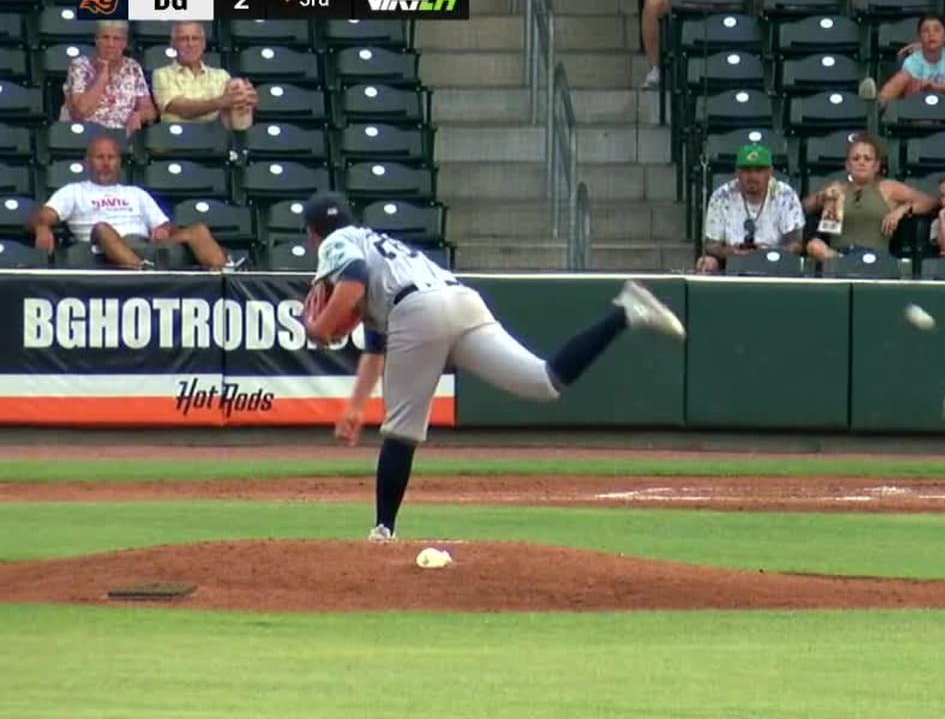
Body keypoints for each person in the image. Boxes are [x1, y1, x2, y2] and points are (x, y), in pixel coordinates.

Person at [299, 193, 687, 542]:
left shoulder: (336, 241)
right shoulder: (380, 244)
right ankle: (624, 313)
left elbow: (351, 284)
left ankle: (383, 530)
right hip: (461, 300)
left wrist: (317, 328)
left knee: (401, 430)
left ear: (313, 234)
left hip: (415, 311)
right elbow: (376, 346)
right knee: (544, 382)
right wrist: (355, 405)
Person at [28, 135, 241, 270]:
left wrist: (164, 229)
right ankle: (141, 273)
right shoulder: (74, 191)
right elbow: (43, 217)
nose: (105, 163)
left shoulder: (135, 193)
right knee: (102, 227)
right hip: (102, 248)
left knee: (198, 230)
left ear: (119, 162)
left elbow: (163, 225)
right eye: (99, 157)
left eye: (111, 157)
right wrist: (42, 227)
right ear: (87, 162)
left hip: (145, 245)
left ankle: (224, 275)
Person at [802, 133, 936, 262]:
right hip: (837, 257)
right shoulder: (837, 188)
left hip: (875, 258)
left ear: (877, 165)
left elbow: (930, 202)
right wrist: (821, 197)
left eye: (867, 159)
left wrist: (901, 210)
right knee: (814, 246)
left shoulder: (888, 188)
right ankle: (844, 264)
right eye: (856, 158)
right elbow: (803, 208)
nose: (861, 162)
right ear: (847, 165)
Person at [696, 143, 804, 273]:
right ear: (737, 172)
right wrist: (731, 252)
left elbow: (796, 244)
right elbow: (711, 245)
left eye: (758, 171)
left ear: (770, 172)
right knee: (706, 263)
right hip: (733, 261)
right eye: (747, 170)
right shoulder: (721, 196)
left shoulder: (786, 195)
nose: (752, 176)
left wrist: (765, 253)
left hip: (775, 261)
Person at [152, 21, 257, 130]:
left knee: (238, 86)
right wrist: (221, 101)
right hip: (177, 140)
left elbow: (229, 107)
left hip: (214, 138)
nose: (190, 44)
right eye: (183, 39)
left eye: (195, 38)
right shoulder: (161, 75)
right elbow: (184, 110)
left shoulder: (221, 76)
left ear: (203, 43)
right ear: (173, 44)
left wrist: (245, 100)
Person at [65, 20, 156, 133]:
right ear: (97, 41)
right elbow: (82, 111)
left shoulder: (132, 67)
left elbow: (150, 110)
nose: (111, 44)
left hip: (123, 134)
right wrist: (101, 77)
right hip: (87, 134)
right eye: (105, 38)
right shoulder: (79, 66)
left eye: (116, 39)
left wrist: (138, 115)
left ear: (124, 43)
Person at [874, 14, 945, 108]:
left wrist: (937, 87)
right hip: (918, 104)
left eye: (937, 30)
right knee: (903, 78)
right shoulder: (912, 61)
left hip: (943, 104)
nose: (931, 34)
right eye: (926, 31)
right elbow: (910, 94)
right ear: (919, 38)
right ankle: (879, 103)